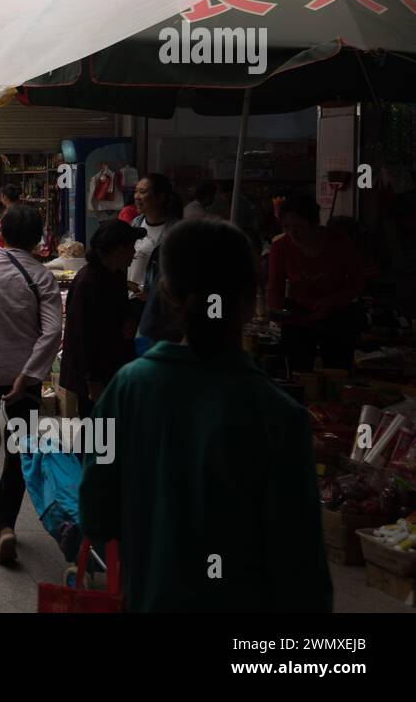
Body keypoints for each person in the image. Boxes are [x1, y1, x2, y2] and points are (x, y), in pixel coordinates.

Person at [79, 218, 332, 612]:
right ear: (251, 300)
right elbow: (301, 568)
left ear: (166, 292)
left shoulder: (128, 389)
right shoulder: (280, 415)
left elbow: (96, 512)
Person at [0, 205, 63, 566]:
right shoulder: (42, 277)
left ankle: (1, 526)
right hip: (26, 377)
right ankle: (7, 523)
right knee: (20, 450)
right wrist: (28, 375)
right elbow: (52, 331)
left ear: (1, 231)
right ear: (39, 239)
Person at [267, 194, 366, 371]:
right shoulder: (280, 247)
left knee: (337, 371)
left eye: (299, 226)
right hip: (298, 317)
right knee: (299, 371)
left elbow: (358, 279)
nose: (292, 232)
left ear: (314, 223)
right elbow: (276, 286)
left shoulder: (338, 241)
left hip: (337, 314)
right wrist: (277, 312)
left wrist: (334, 301)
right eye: (287, 226)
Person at [60, 220, 138, 416]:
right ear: (118, 249)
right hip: (94, 375)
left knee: (108, 430)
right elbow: (81, 336)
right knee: (97, 431)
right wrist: (92, 381)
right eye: (131, 248)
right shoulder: (88, 282)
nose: (134, 254)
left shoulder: (115, 275)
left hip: (111, 367)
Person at [129, 172, 182, 351]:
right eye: (136, 191)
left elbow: (178, 274)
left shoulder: (176, 231)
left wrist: (152, 294)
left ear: (161, 197)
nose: (137, 196)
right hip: (130, 304)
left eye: (143, 192)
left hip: (156, 308)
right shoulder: (135, 224)